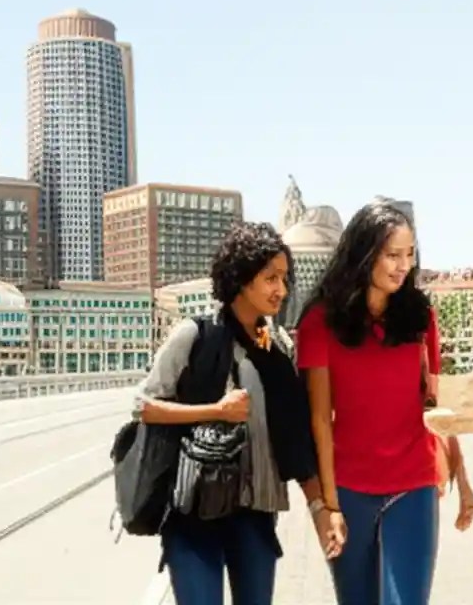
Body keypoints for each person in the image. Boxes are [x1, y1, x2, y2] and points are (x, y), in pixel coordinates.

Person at [133, 222, 330, 605]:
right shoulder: (195, 335)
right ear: (241, 279)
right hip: (194, 512)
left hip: (255, 513)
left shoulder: (276, 349)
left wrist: (320, 506)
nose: (281, 290)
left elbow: (294, 436)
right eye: (270, 278)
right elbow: (143, 406)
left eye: (284, 279)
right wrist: (215, 411)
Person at [296, 199, 473, 605]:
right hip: (349, 488)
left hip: (414, 484)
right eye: (392, 255)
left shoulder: (420, 317)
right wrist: (330, 506)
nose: (403, 265)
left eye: (409, 254)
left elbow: (436, 406)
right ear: (364, 254)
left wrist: (462, 480)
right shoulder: (319, 322)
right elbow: (320, 420)